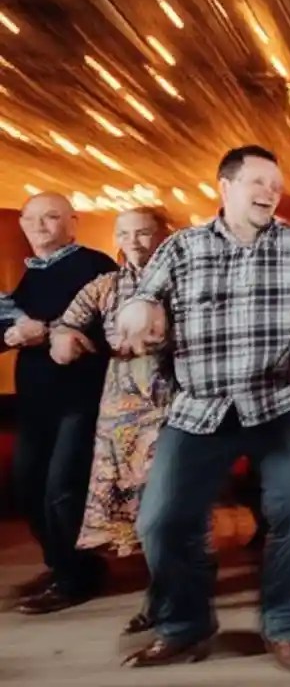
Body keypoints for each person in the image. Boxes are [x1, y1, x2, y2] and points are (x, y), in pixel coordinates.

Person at [115, 145, 290, 675]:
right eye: (259, 182)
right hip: (199, 407)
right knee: (162, 520)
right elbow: (139, 305)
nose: (270, 193)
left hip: (283, 403)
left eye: (277, 186)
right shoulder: (181, 248)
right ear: (225, 186)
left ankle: (288, 628)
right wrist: (137, 313)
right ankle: (185, 625)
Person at [46, 207, 172, 634]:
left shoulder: (184, 280)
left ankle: (167, 596)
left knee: (167, 501)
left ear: (162, 236)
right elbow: (64, 323)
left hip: (174, 399)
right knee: (135, 504)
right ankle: (164, 590)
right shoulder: (105, 286)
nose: (134, 241)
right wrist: (63, 336)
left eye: (143, 232)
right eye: (125, 233)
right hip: (121, 404)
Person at [1, 192, 119, 614]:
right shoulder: (31, 275)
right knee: (28, 487)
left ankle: (76, 578)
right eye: (30, 218)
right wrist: (11, 334)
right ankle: (64, 565)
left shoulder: (95, 264)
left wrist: (48, 330)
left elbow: (118, 330)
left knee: (61, 491)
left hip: (80, 398)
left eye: (51, 217)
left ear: (73, 221)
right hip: (34, 402)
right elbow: (14, 328)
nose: (39, 225)